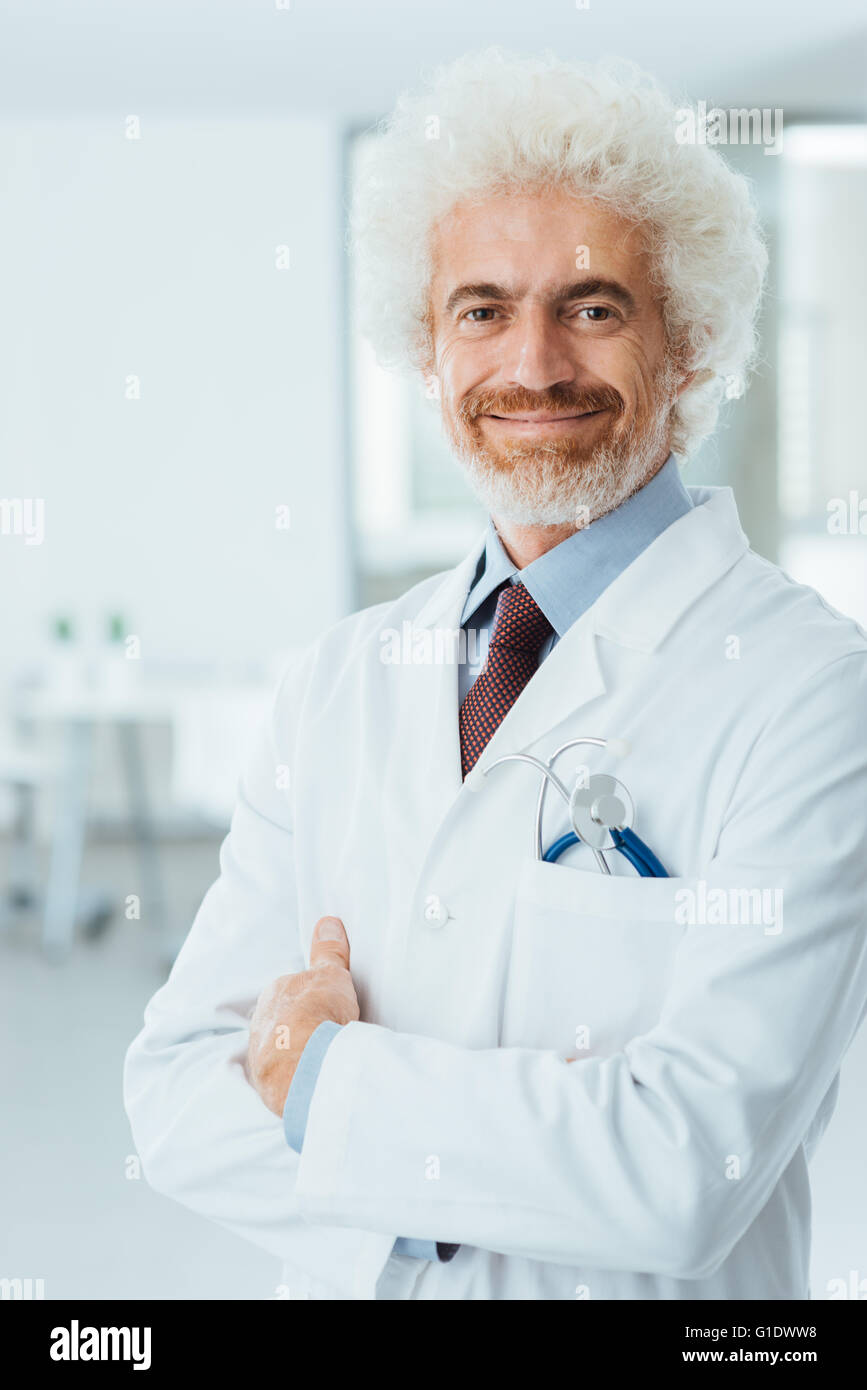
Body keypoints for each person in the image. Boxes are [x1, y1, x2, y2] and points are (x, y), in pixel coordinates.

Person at [123, 48, 867, 1300]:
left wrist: (316, 1079)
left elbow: (686, 1166)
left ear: (686, 344)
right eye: (481, 308)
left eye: (591, 305)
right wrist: (487, 1174)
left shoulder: (810, 691)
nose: (531, 365)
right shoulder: (339, 679)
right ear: (426, 349)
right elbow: (175, 1092)